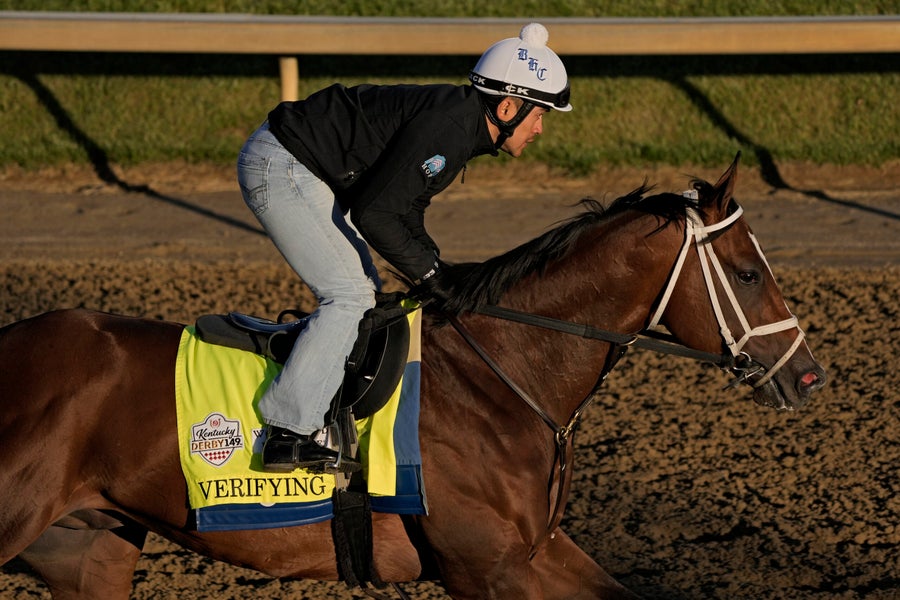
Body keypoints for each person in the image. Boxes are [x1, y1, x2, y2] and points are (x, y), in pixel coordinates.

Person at [237, 22, 572, 473]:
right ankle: (287, 433)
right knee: (350, 296)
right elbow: (375, 214)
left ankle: (318, 398)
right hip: (284, 165)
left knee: (364, 294)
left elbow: (404, 208)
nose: (540, 129)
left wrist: (436, 270)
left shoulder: (461, 124)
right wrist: (433, 277)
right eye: (540, 113)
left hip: (303, 164)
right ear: (508, 106)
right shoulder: (451, 127)